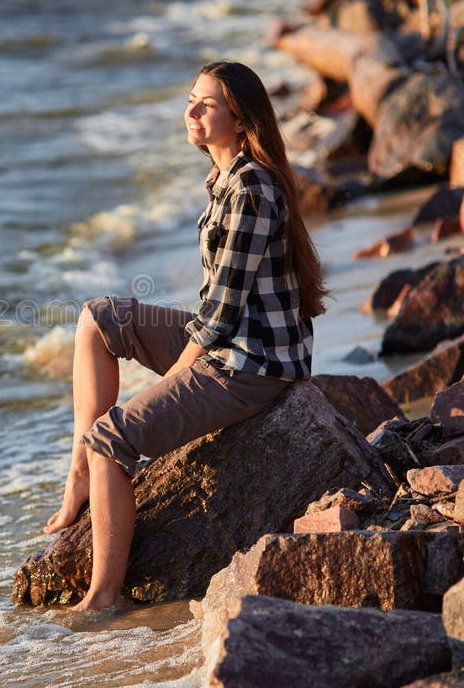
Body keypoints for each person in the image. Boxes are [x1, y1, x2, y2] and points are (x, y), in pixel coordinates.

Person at [44, 60, 327, 611]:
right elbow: (217, 313)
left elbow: (219, 317)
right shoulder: (223, 177)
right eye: (191, 99)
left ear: (240, 119)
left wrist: (174, 380)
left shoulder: (251, 190)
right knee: (98, 318)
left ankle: (104, 598)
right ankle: (79, 474)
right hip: (229, 342)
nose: (191, 112)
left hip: (251, 364)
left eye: (206, 104)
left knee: (112, 437)